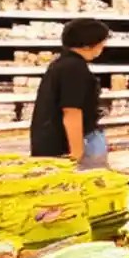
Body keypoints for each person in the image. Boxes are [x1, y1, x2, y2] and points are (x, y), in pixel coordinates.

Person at [30, 18, 110, 166]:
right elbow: (71, 111)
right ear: (89, 44)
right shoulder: (74, 68)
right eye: (102, 42)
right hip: (63, 147)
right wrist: (77, 152)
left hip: (50, 144)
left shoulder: (61, 64)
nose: (103, 46)